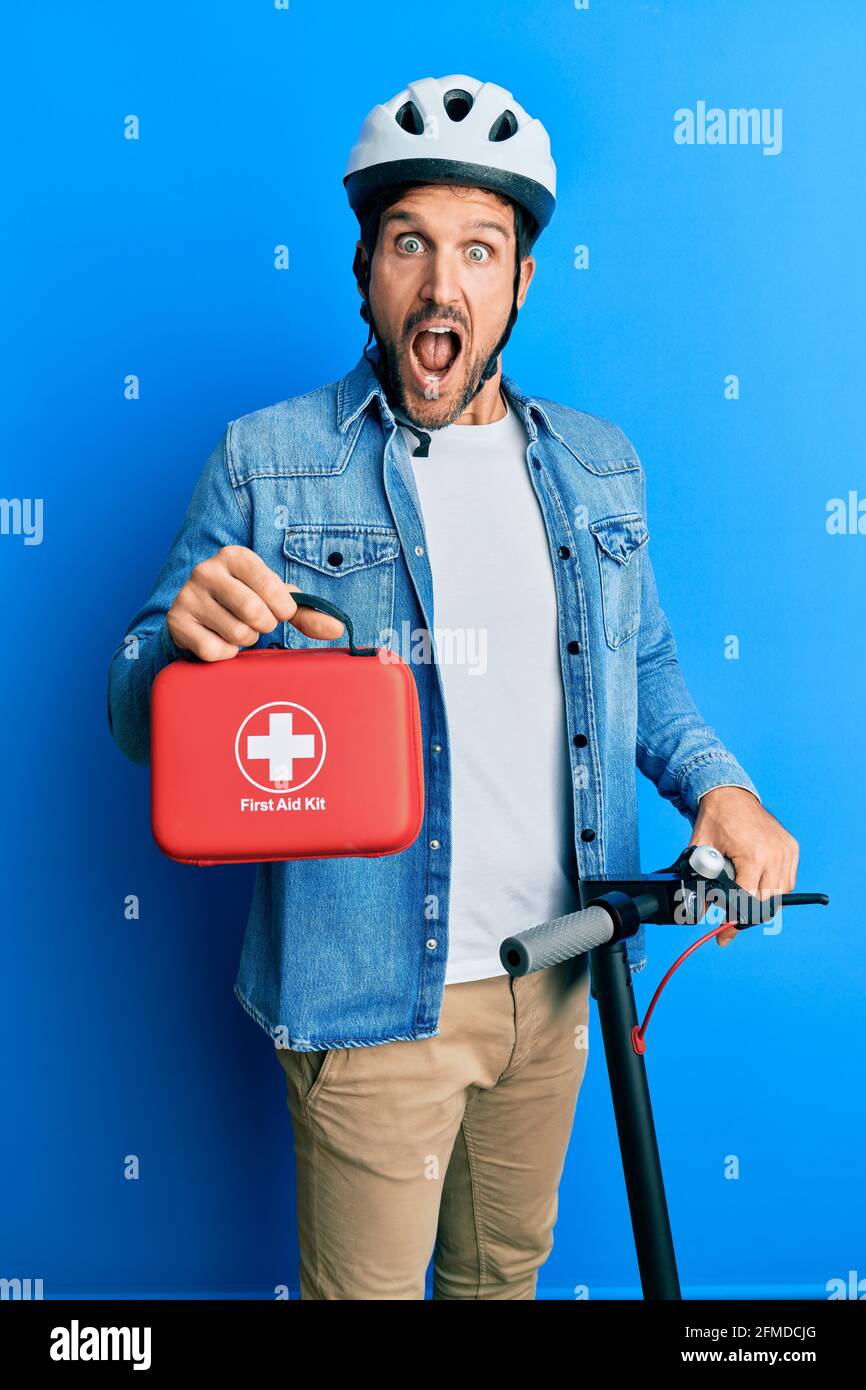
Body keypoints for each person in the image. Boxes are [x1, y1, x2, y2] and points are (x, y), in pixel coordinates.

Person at [106, 74, 799, 1300]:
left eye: (479, 250)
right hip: (373, 995)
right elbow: (131, 712)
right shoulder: (271, 460)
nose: (442, 285)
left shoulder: (598, 466)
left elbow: (646, 671)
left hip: (561, 975)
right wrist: (178, 653)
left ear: (519, 279)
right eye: (410, 243)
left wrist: (721, 790)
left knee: (499, 1287)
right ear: (366, 267)